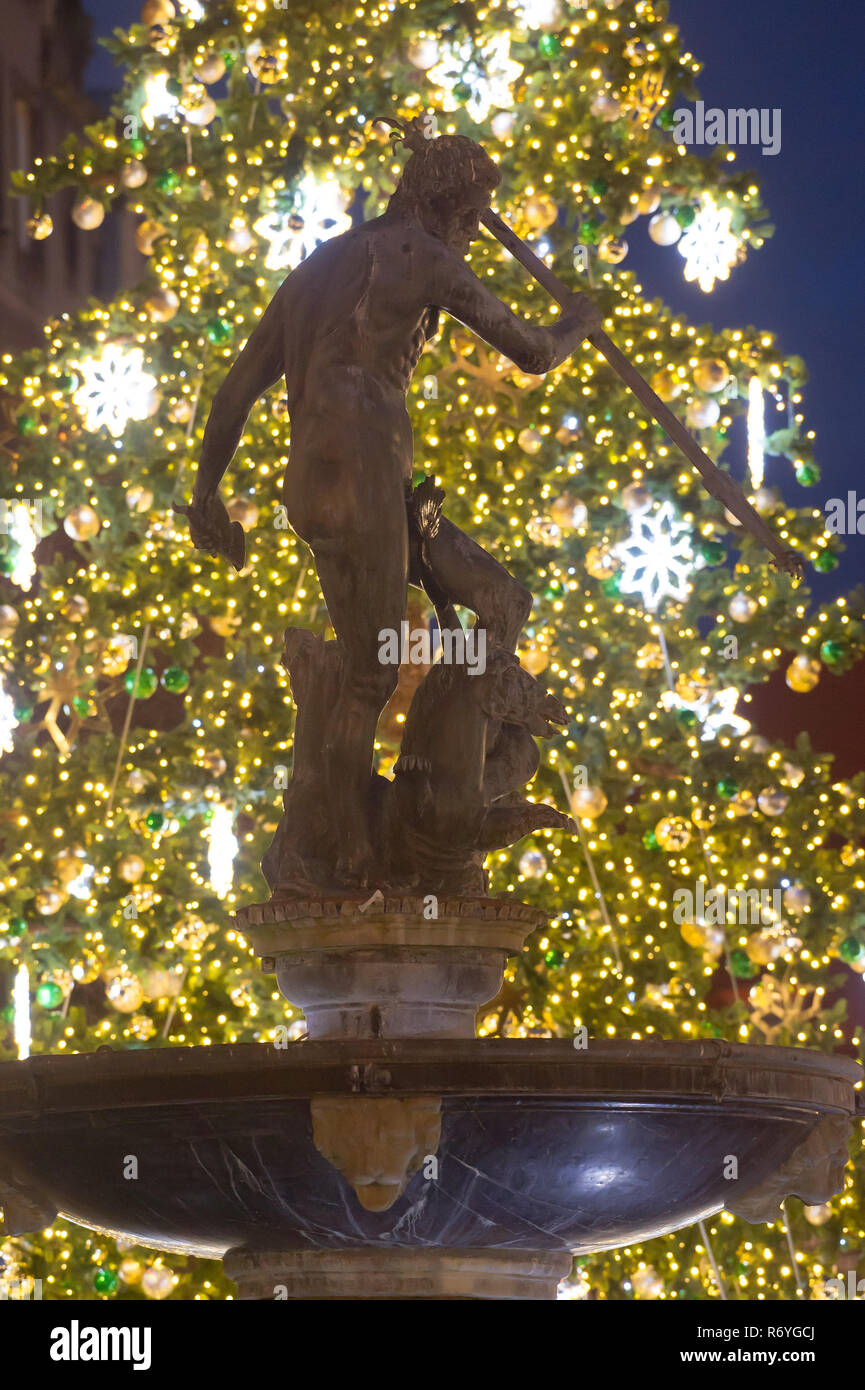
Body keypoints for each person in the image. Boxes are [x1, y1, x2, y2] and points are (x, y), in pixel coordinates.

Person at [181, 120, 602, 887]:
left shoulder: (316, 269)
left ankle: (352, 823)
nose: (475, 231)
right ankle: (338, 853)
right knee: (373, 674)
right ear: (447, 205)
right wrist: (578, 321)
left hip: (311, 479)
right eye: (473, 213)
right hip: (367, 462)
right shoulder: (423, 257)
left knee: (455, 613)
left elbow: (237, 390)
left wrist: (204, 497)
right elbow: (530, 350)